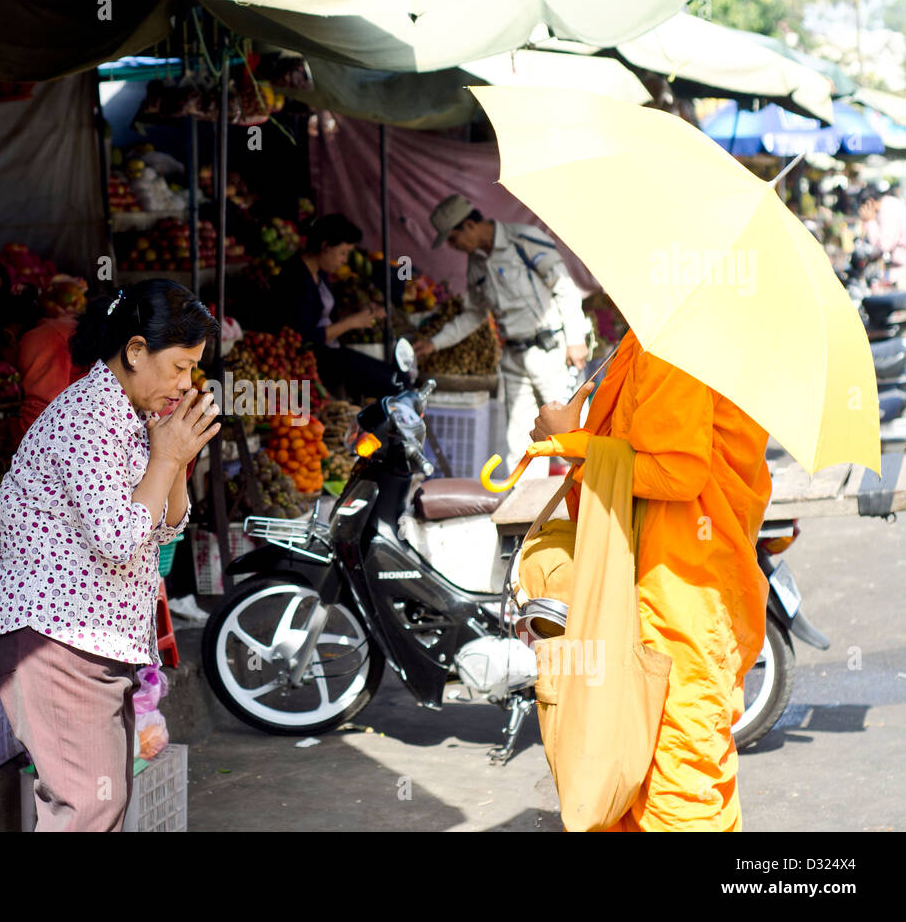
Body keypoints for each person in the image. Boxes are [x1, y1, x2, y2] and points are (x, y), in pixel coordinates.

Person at [0, 279, 220, 832]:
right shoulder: (86, 417)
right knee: (88, 809)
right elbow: (117, 539)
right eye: (180, 367)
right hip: (53, 642)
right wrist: (165, 458)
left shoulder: (134, 418)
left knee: (99, 807)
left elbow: (164, 531)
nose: (186, 383)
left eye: (193, 369)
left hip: (95, 643)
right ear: (136, 351)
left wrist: (178, 458)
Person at [526, 329, 772, 831]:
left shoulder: (679, 339)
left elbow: (678, 473)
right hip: (661, 578)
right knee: (632, 758)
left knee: (675, 775)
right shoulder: (651, 334)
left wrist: (571, 444)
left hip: (679, 591)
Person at [421, 194, 590, 477]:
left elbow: (563, 285)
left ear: (468, 227)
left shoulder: (523, 239)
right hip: (513, 357)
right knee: (522, 439)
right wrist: (433, 343)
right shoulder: (476, 262)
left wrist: (575, 339)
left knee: (572, 433)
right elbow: (474, 314)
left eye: (453, 239)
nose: (454, 247)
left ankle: (589, 502)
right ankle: (526, 512)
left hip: (551, 352)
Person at [267, 214, 398, 402]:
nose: (344, 260)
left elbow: (324, 313)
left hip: (332, 351)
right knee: (390, 382)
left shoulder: (320, 274)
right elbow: (307, 338)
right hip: (315, 358)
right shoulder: (296, 278)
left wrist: (359, 312)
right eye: (343, 252)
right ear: (325, 246)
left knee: (394, 376)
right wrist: (352, 322)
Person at [0, 286, 89, 449]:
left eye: (1, 355)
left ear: (9, 336)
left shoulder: (38, 340)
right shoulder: (55, 328)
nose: (6, 364)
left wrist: (6, 431)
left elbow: (39, 423)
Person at [857, 187, 906, 289]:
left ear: (870, 202)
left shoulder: (887, 209)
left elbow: (884, 245)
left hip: (901, 269)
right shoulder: (889, 204)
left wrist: (869, 221)